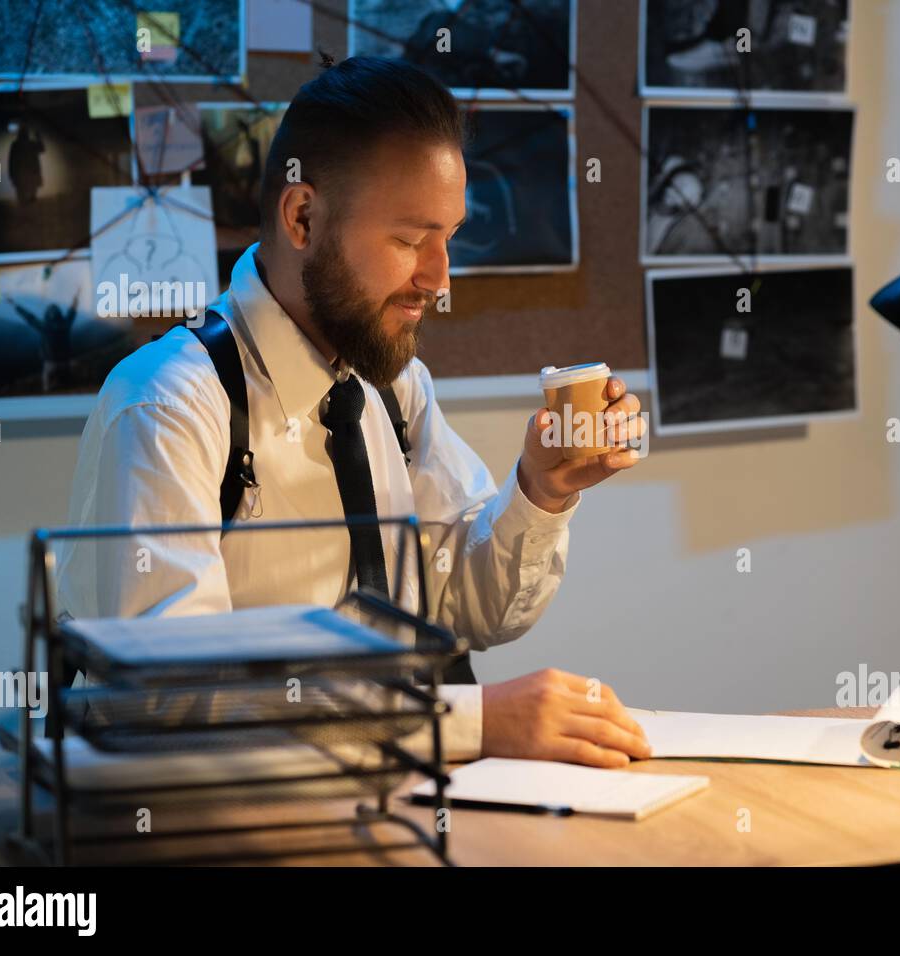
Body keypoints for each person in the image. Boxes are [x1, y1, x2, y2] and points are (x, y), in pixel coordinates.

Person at [58, 56, 651, 768]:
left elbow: (468, 607)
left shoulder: (394, 389)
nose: (438, 278)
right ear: (303, 216)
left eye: (448, 239)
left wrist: (541, 491)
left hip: (393, 810)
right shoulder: (168, 406)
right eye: (408, 240)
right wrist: (469, 722)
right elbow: (171, 700)